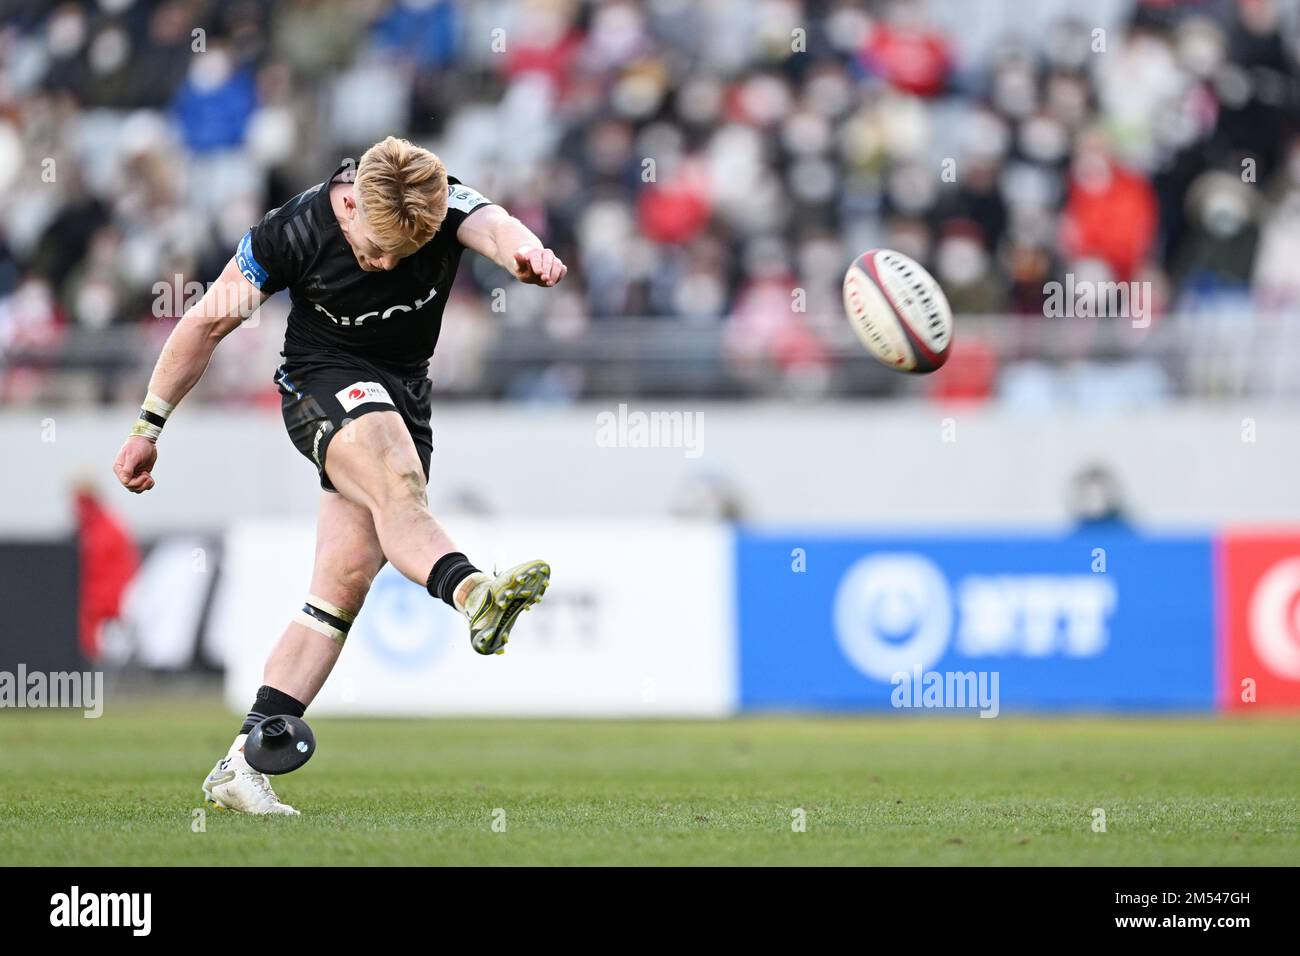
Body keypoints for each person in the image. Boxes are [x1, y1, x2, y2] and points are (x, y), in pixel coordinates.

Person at [112, 136, 567, 815]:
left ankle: (241, 766)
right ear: (349, 202)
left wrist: (527, 253)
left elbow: (495, 226)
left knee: (341, 589)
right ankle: (474, 594)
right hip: (319, 382)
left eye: (401, 255)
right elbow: (205, 326)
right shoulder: (291, 231)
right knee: (397, 484)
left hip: (405, 392)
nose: (385, 264)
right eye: (374, 248)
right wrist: (148, 428)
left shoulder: (436, 206)